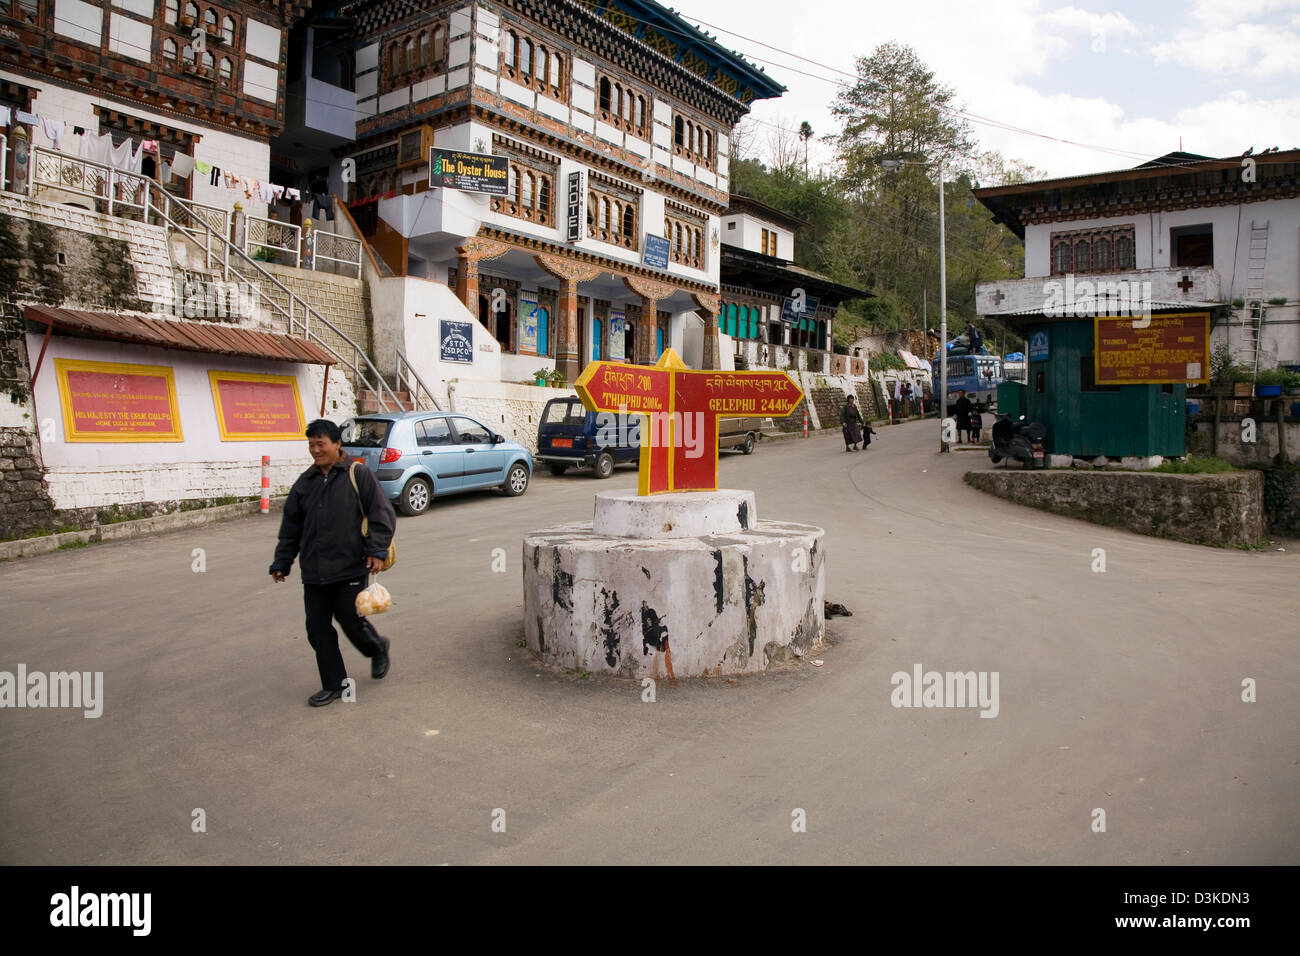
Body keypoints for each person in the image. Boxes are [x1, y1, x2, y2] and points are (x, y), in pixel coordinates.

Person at [270, 419, 396, 707]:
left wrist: (376, 551)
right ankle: (335, 684)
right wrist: (281, 562)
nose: (315, 450)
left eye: (320, 444)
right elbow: (291, 527)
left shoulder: (357, 474)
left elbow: (381, 513)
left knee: (350, 619)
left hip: (351, 564)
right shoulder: (305, 483)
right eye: (311, 445)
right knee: (316, 629)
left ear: (337, 444)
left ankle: (377, 648)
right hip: (314, 570)